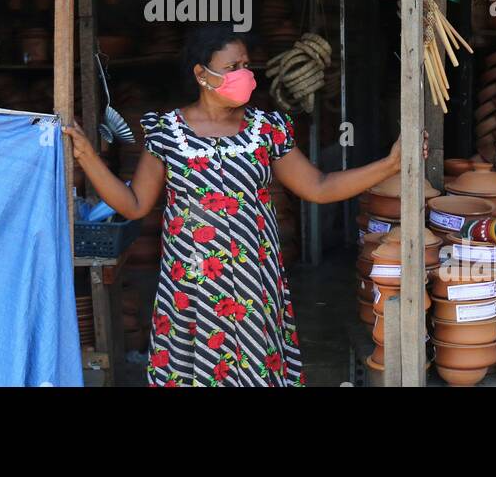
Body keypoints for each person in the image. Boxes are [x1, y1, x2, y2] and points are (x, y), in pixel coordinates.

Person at [63, 22, 407, 387]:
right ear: (201, 74)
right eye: (232, 68)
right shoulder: (167, 132)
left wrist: (390, 164)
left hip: (253, 284)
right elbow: (134, 205)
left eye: (246, 66)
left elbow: (318, 187)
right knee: (195, 371)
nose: (244, 74)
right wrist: (87, 157)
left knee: (255, 371)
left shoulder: (266, 129)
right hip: (192, 286)